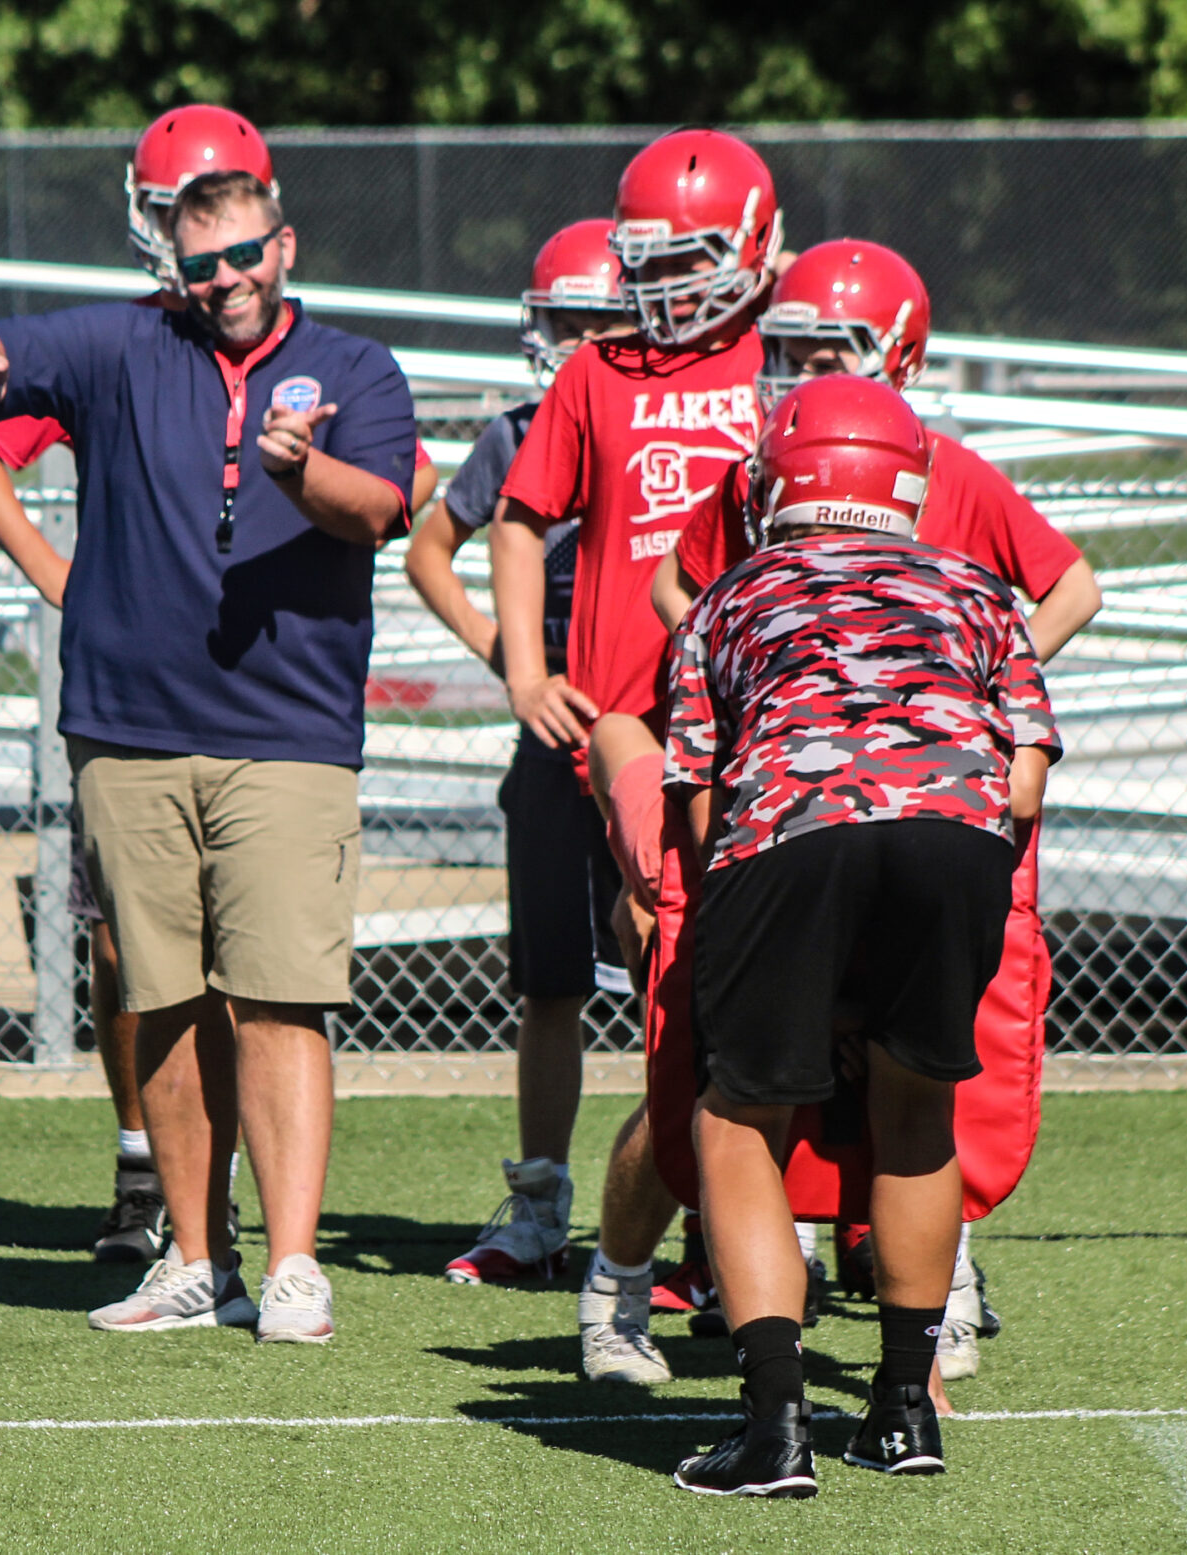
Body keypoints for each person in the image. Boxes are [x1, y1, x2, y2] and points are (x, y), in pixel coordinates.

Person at [0, 168, 417, 1343]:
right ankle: (199, 1260)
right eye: (202, 265)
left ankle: (295, 1265)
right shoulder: (125, 342)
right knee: (163, 1000)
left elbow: (385, 510)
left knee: (281, 1000)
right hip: (127, 728)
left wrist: (299, 470)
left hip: (287, 733)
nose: (227, 281)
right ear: (174, 269)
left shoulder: (357, 368)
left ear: (284, 244)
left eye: (245, 254)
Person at [649, 238, 1103, 1383]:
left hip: (787, 839)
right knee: (918, 1116)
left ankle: (772, 1419)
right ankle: (908, 1400)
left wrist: (750, 921)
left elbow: (699, 786)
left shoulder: (734, 593)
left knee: (740, 1116)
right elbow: (1026, 773)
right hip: (956, 843)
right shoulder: (968, 588)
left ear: (777, 478)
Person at [491, 128, 781, 1382]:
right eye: (649, 260)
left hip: (780, 723)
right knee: (674, 987)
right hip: (633, 731)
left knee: (769, 995)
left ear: (756, 247)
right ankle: (662, 1268)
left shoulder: (792, 357)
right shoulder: (600, 372)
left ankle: (741, 1256)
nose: (664, 285)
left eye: (691, 258)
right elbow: (516, 518)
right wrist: (519, 663)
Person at [400, 219, 638, 1285]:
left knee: (686, 965)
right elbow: (431, 550)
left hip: (663, 724)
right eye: (566, 322)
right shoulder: (515, 431)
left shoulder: (661, 421)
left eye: (601, 320)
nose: (582, 341)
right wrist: (516, 661)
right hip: (556, 736)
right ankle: (541, 1206)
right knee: (551, 980)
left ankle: (750, 1214)